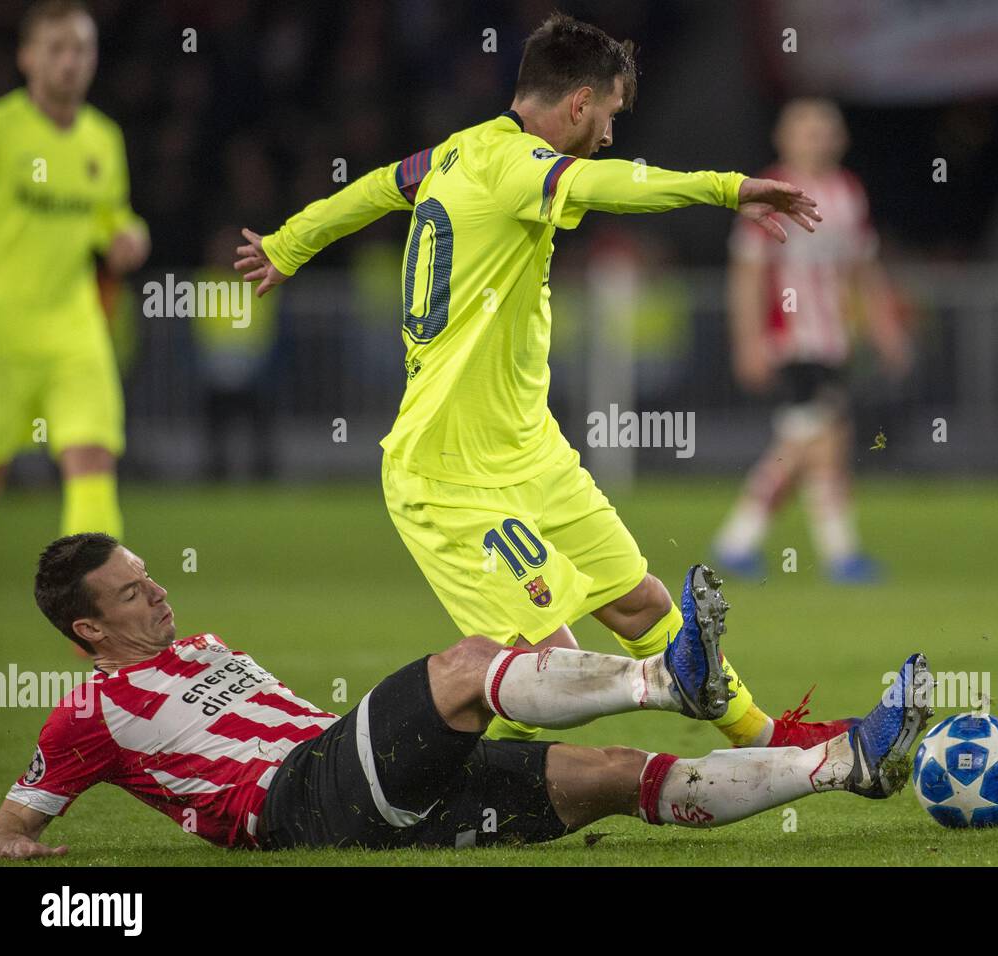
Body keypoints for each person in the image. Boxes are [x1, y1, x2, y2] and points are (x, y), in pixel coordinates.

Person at [234, 13, 849, 750]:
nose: (612, 132)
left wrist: (286, 244)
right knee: (550, 673)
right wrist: (726, 188)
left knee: (642, 605)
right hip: (450, 472)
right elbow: (614, 182)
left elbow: (371, 189)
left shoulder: (458, 153)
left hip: (530, 453)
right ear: (580, 102)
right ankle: (420, 781)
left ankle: (765, 740)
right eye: (613, 113)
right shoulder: (516, 167)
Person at [0, 533, 932, 857]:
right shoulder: (87, 714)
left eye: (149, 576)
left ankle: (843, 765)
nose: (156, 591)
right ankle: (664, 675)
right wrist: (25, 848)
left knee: (615, 773)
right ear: (88, 632)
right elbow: (13, 822)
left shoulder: (198, 646)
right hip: (300, 802)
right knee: (466, 666)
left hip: (372, 790)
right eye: (131, 592)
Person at [713, 98, 912, 583]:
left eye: (826, 130)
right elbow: (747, 274)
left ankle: (767, 545)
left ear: (841, 139)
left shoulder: (848, 192)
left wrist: (884, 325)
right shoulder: (770, 191)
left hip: (834, 340)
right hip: (791, 338)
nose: (817, 139)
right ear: (783, 138)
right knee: (818, 438)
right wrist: (748, 341)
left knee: (817, 441)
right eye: (806, 130)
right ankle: (773, 544)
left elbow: (863, 267)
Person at [0, 0, 149, 540]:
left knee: (92, 467)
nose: (70, 61)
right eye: (56, 48)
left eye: (81, 48)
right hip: (0, 330)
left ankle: (92, 609)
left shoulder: (103, 139)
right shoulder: (0, 130)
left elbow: (109, 216)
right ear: (27, 57)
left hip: (74, 330)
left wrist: (128, 234)